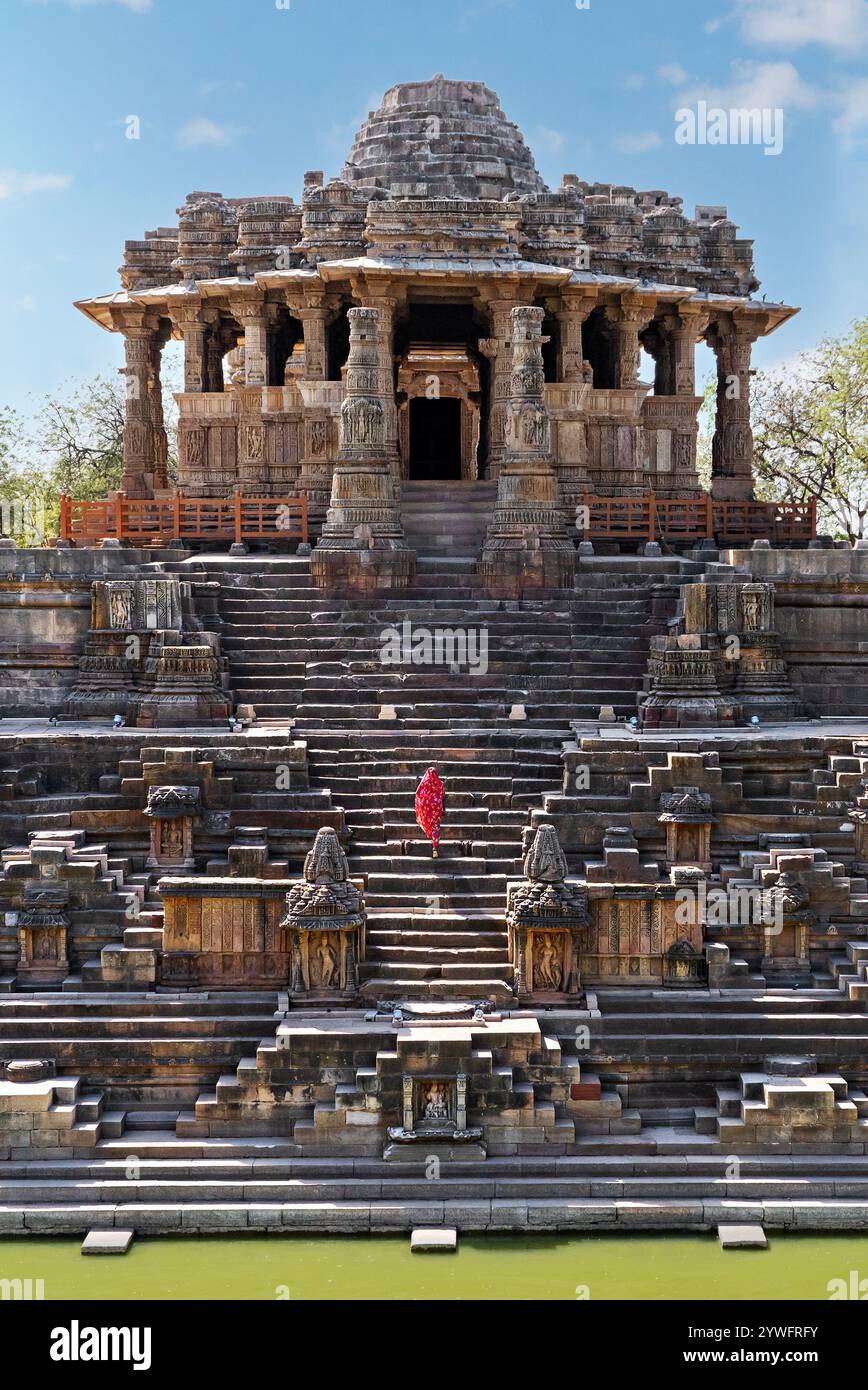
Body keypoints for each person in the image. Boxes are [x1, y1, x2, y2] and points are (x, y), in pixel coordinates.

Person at [415, 766, 445, 858]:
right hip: (437, 810)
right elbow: (443, 798)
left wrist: (421, 807)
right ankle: (435, 848)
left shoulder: (424, 784)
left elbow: (418, 795)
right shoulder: (440, 784)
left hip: (428, 812)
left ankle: (434, 845)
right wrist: (444, 809)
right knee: (436, 828)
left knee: (430, 826)